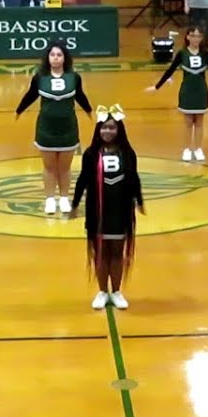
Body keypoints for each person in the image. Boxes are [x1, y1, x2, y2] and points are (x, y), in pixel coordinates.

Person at [70, 105, 143, 311]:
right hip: (97, 213)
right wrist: (75, 204)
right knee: (100, 253)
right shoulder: (91, 154)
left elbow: (134, 179)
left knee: (117, 253)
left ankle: (117, 291)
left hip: (120, 212)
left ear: (119, 130)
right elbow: (83, 180)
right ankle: (102, 291)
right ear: (98, 130)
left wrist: (139, 201)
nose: (107, 132)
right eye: (104, 128)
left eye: (111, 128)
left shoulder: (128, 154)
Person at [15, 42, 94, 215]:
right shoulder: (40, 77)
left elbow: (80, 96)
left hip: (68, 129)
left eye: (59, 55)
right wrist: (19, 110)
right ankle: (50, 199)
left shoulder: (74, 77)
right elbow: (31, 95)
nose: (56, 58)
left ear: (65, 58)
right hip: (46, 129)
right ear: (48, 58)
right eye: (52, 55)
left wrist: (89, 111)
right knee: (49, 167)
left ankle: (64, 198)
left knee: (65, 168)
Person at [147, 26, 208, 162]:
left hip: (201, 91)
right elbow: (170, 70)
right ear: (187, 37)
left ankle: (198, 149)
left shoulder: (206, 54)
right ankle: (187, 149)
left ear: (201, 38)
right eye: (193, 35)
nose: (195, 39)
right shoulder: (182, 53)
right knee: (187, 123)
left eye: (198, 36)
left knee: (199, 122)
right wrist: (157, 87)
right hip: (187, 91)